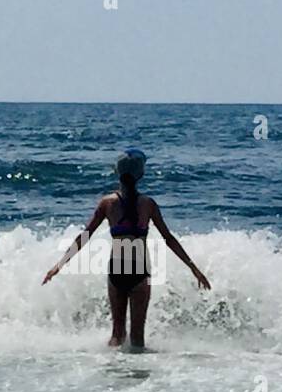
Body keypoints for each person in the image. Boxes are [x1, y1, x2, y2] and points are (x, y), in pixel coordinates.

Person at [42, 148, 210, 348]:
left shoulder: (108, 203)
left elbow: (85, 236)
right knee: (137, 338)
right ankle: (139, 377)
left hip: (117, 269)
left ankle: (113, 375)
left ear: (117, 173)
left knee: (117, 335)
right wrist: (193, 268)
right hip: (139, 269)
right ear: (141, 174)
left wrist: (59, 265)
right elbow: (168, 239)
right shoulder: (148, 204)